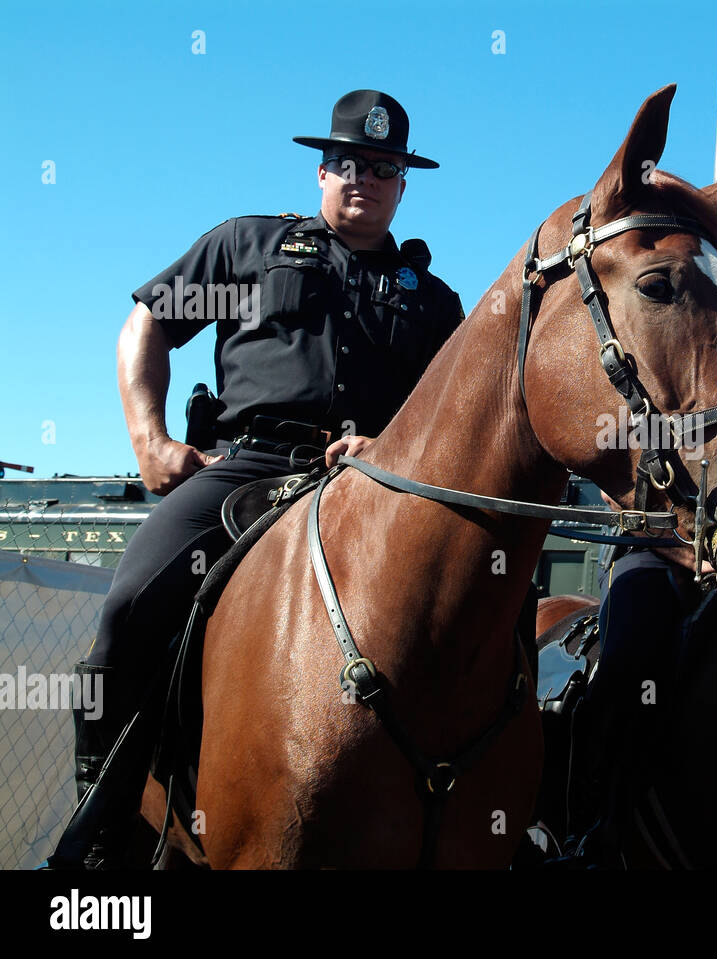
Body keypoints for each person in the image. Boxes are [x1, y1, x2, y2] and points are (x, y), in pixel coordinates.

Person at [48, 90, 463, 869]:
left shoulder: (435, 304)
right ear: (320, 172)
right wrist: (149, 438)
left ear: (403, 184)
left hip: (376, 487)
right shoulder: (251, 247)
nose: (361, 178)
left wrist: (394, 450)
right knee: (131, 607)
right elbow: (149, 324)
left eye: (381, 168)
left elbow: (457, 421)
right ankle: (102, 837)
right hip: (248, 469)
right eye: (346, 163)